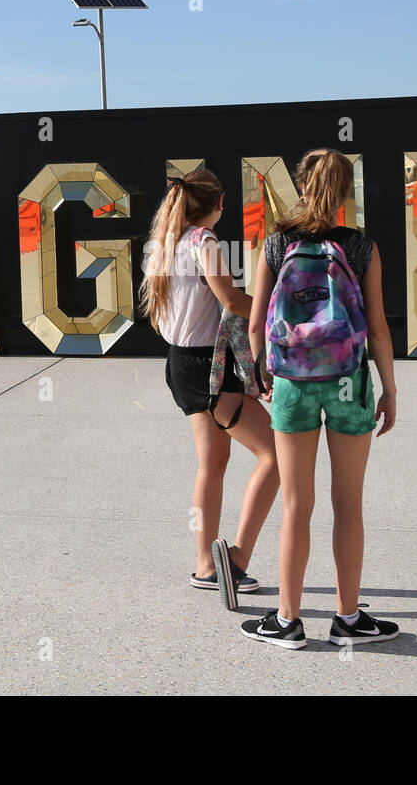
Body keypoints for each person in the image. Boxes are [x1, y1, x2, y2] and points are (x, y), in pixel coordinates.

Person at [243, 149, 397, 650]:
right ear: (346, 191)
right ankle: (348, 620)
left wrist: (266, 376)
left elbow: (255, 325)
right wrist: (390, 388)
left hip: (292, 379)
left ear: (302, 187)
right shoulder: (361, 248)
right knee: (347, 503)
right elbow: (376, 327)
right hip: (350, 380)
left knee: (295, 505)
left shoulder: (275, 245)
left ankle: (287, 621)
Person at [139, 169, 280, 611]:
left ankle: (205, 565)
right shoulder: (204, 242)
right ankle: (235, 559)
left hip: (182, 364)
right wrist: (284, 308)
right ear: (218, 202)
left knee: (213, 462)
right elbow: (233, 302)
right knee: (275, 456)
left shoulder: (167, 243)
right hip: (210, 368)